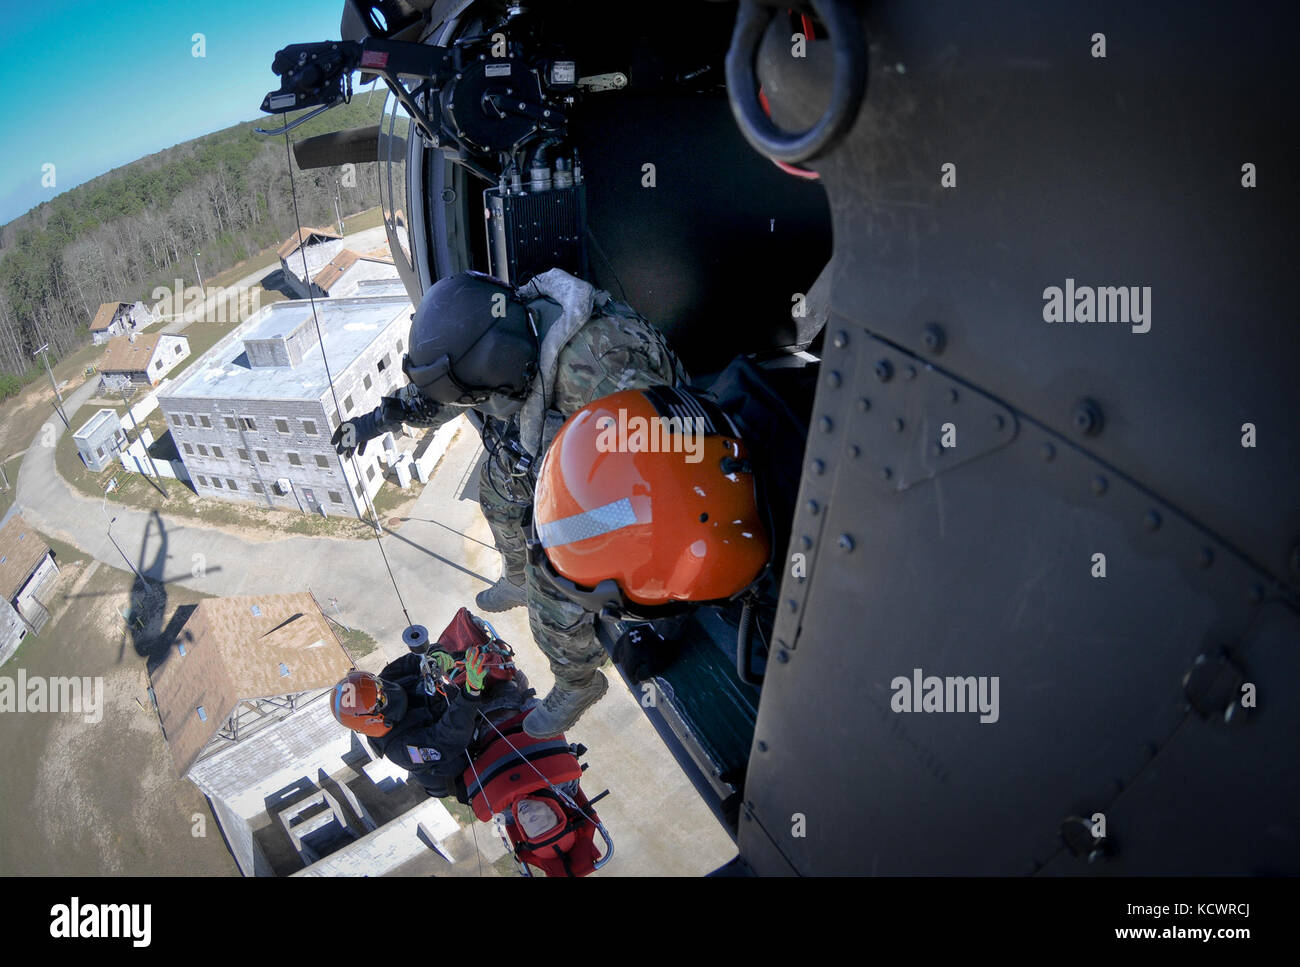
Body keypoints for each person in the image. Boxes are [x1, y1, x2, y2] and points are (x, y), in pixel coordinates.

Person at [335, 268, 687, 738]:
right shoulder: (509, 337)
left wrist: (566, 525)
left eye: (486, 398)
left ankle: (576, 681)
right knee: (497, 488)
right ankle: (516, 579)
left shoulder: (596, 368)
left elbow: (665, 471)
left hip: (653, 488)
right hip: (580, 453)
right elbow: (446, 395)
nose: (483, 405)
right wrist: (374, 421)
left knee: (552, 573)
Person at [330, 646, 490, 800]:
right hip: (461, 762)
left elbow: (416, 659)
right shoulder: (401, 750)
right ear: (373, 719)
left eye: (379, 685)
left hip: (454, 711)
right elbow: (447, 739)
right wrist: (471, 692)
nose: (385, 689)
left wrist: (434, 657)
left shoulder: (383, 682)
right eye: (382, 697)